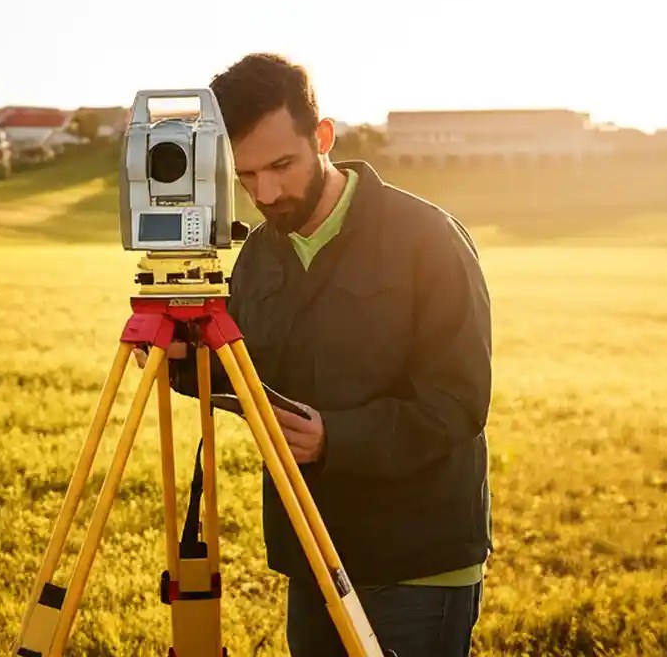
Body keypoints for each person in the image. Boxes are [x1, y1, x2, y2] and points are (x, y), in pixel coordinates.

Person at [133, 52, 493, 656]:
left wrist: (334, 438)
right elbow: (241, 376)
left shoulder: (427, 238)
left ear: (322, 137)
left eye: (282, 165)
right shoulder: (258, 255)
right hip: (311, 553)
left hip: (417, 564)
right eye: (246, 176)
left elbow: (458, 405)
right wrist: (179, 359)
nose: (266, 192)